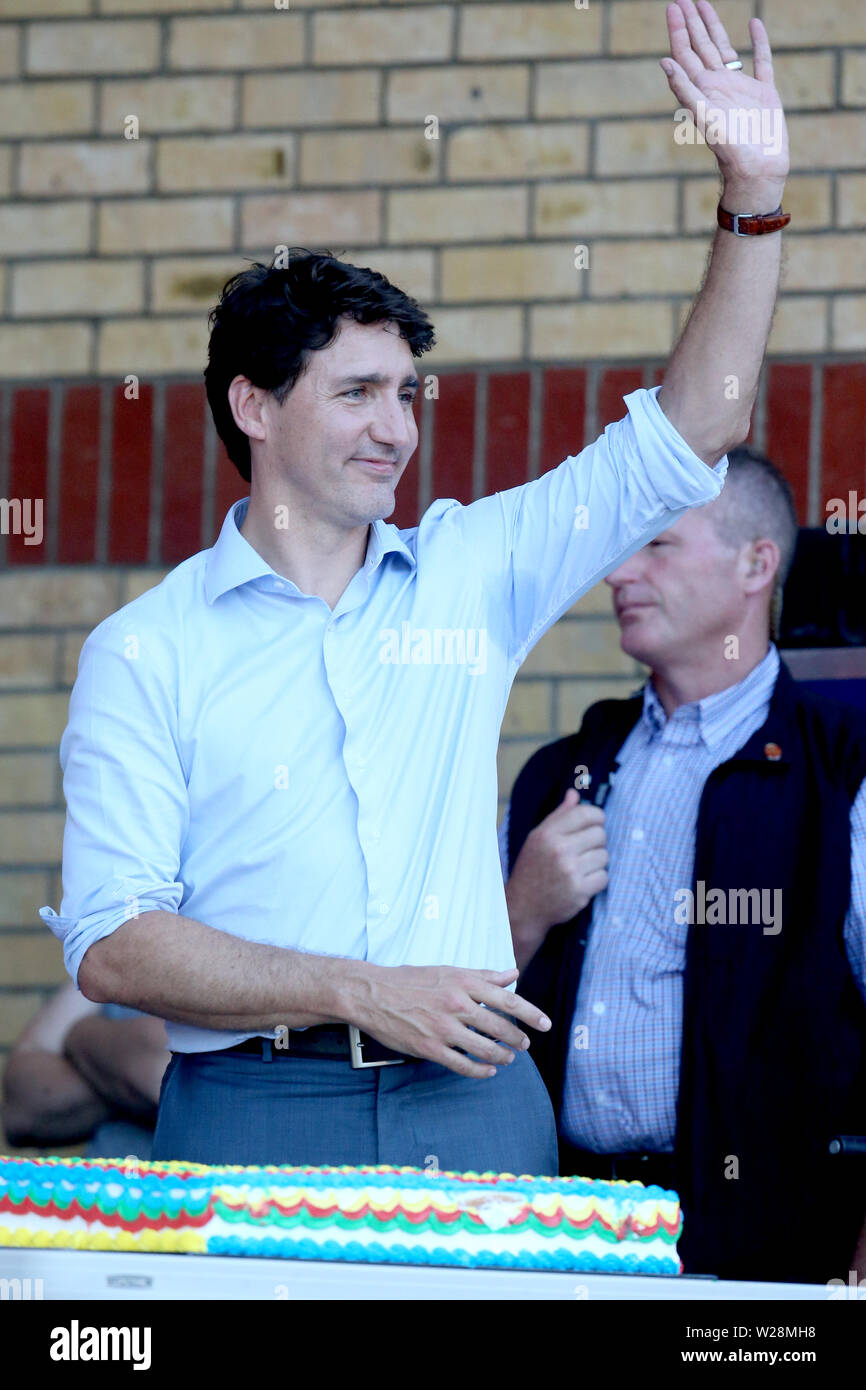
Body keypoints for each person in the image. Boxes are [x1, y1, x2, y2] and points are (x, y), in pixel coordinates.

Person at [39, 1, 792, 1174]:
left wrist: (751, 199)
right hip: (252, 1112)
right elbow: (113, 944)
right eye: (356, 394)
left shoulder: (469, 568)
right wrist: (361, 992)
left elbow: (697, 428)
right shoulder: (146, 649)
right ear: (253, 404)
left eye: (407, 395)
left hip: (475, 1107)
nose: (395, 429)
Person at [500, 445, 866, 1285]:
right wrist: (522, 910)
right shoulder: (558, 774)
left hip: (772, 1258)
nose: (620, 571)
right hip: (560, 1243)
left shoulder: (843, 769)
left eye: (659, 543)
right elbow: (448, 1011)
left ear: (756, 564)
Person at [2, 981, 169, 1159]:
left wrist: (79, 1033)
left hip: (184, 1183)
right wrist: (130, 1082)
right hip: (99, 1182)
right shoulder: (111, 959)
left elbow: (166, 1069)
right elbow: (22, 1104)